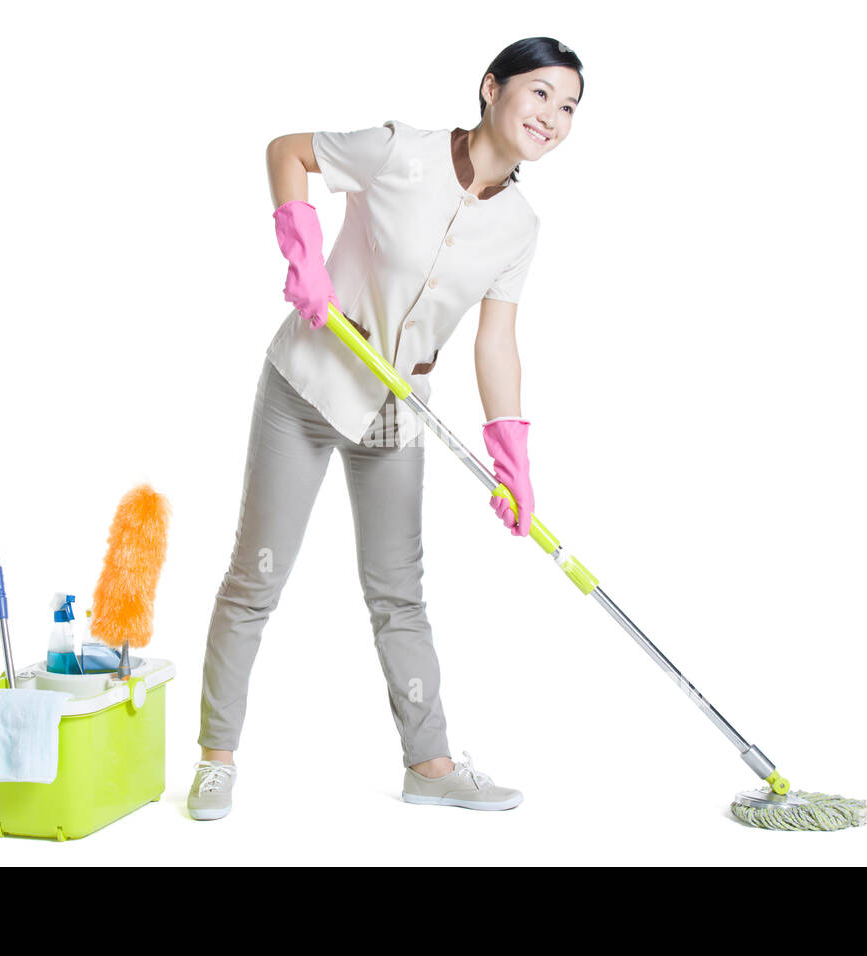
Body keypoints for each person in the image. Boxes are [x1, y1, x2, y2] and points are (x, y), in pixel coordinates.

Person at [188, 37, 584, 820]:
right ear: (491, 87)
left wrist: (513, 455)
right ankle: (216, 759)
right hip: (307, 383)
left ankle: (430, 764)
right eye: (540, 93)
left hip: (397, 410)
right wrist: (300, 245)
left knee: (399, 594)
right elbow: (287, 151)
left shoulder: (521, 229)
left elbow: (495, 340)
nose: (553, 116)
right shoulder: (402, 149)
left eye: (569, 107)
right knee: (256, 579)